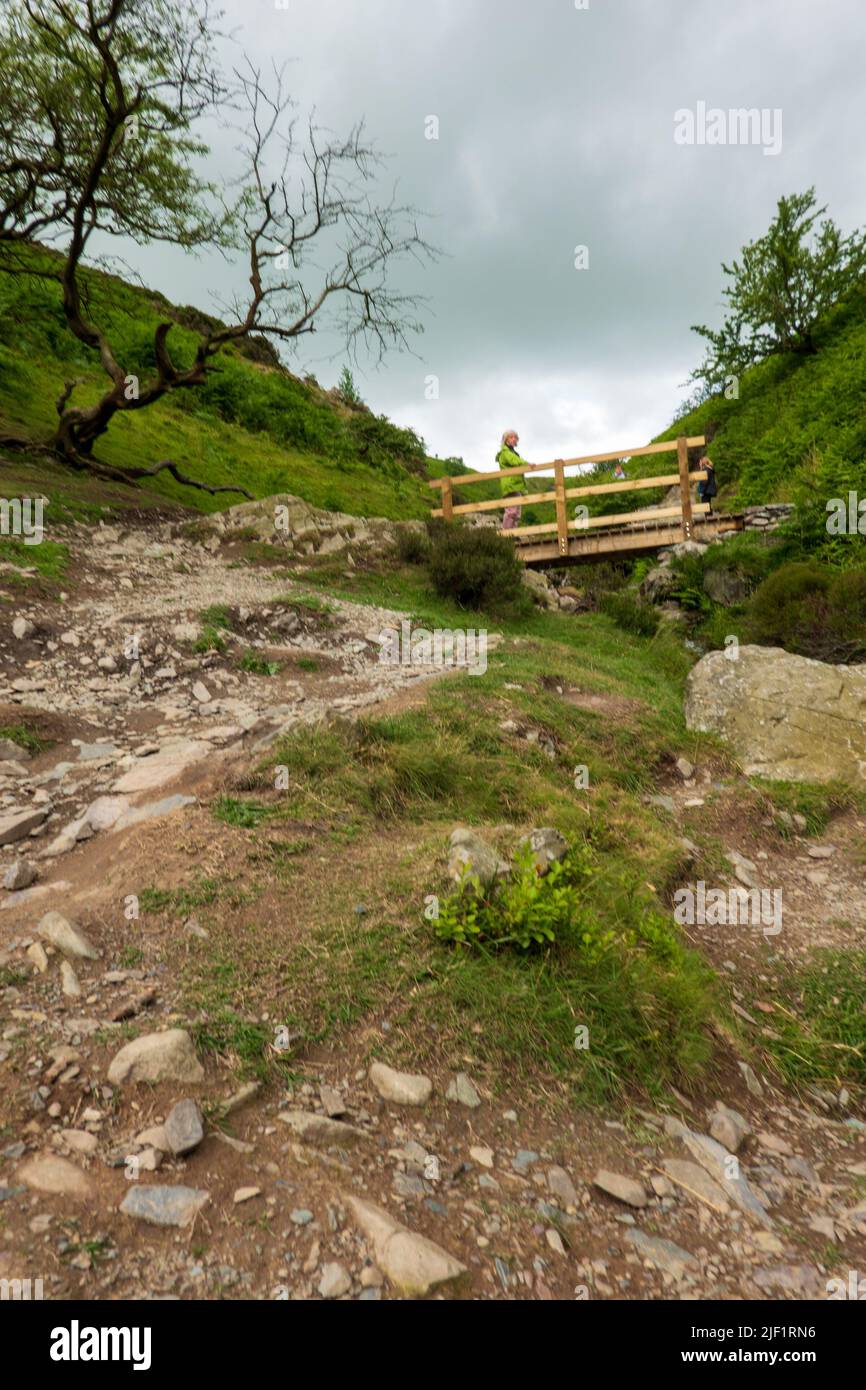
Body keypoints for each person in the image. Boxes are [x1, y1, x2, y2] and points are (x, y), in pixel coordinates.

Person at [496, 430, 529, 530]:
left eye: (515, 437)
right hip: (510, 485)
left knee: (517, 513)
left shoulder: (512, 452)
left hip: (515, 486)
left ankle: (514, 533)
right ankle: (507, 535)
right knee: (511, 511)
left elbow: (516, 460)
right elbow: (514, 461)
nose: (514, 439)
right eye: (511, 437)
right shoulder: (505, 453)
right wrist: (527, 464)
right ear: (505, 440)